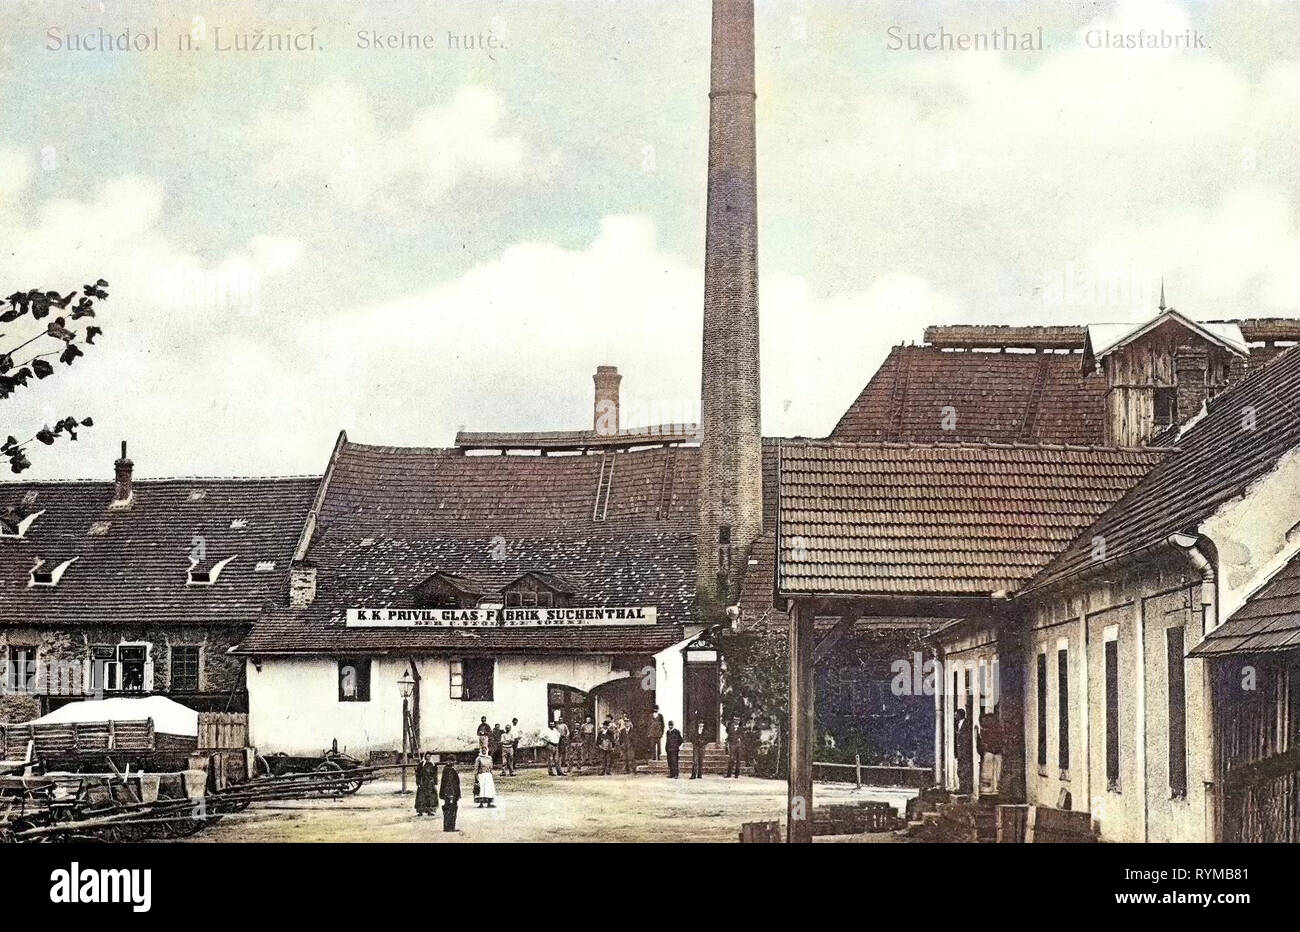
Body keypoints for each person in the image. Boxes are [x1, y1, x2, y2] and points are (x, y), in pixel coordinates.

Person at [979, 703, 1003, 796]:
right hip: (993, 753)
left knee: (992, 774)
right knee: (992, 774)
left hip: (992, 753)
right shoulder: (987, 731)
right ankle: (992, 790)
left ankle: (992, 790)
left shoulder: (986, 731)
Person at [439, 755, 461, 832]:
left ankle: (450, 827)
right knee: (450, 809)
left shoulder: (451, 769)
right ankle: (449, 827)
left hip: (453, 792)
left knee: (451, 809)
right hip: (450, 793)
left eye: (453, 761)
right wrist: (450, 794)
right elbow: (449, 783)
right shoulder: (448, 770)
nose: (453, 762)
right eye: (451, 761)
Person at [955, 708, 974, 795]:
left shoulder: (966, 724)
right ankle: (961, 787)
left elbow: (967, 739)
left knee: (966, 770)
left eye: (956, 715)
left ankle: (966, 788)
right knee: (960, 770)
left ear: (960, 715)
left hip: (965, 752)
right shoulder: (958, 724)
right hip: (960, 752)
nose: (955, 716)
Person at [414, 751, 438, 816]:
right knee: (421, 797)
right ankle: (420, 811)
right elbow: (417, 774)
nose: (428, 757)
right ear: (425, 757)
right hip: (423, 783)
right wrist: (418, 782)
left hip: (430, 783)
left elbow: (435, 774)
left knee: (431, 797)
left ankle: (430, 811)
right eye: (427, 756)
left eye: (429, 756)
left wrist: (435, 782)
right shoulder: (421, 764)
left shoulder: (433, 765)